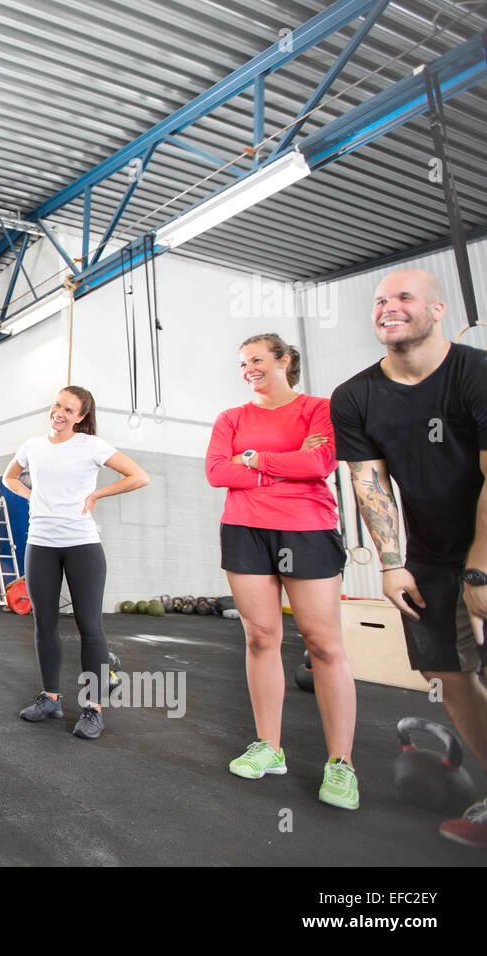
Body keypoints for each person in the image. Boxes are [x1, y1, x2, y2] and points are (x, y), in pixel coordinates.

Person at [331, 268, 487, 845]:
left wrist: (479, 569)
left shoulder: (477, 373)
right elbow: (371, 485)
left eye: (402, 298)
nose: (387, 307)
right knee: (445, 672)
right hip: (427, 555)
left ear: (438, 309)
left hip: (486, 545)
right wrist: (393, 562)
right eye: (379, 300)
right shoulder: (355, 397)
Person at [205, 333, 358, 810]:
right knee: (260, 638)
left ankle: (341, 763)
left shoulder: (319, 407)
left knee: (324, 644)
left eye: (257, 359)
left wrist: (252, 460)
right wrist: (281, 466)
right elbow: (216, 472)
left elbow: (319, 463)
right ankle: (269, 747)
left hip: (307, 529)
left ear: (285, 360)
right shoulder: (231, 417)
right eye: (242, 361)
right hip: (244, 530)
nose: (248, 367)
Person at [1, 387, 148, 740]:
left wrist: (97, 494)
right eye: (57, 405)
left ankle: (93, 708)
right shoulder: (32, 446)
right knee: (44, 623)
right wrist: (31, 494)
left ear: (80, 417)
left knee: (89, 626)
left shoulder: (91, 446)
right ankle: (50, 698)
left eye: (69, 410)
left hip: (82, 545)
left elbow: (138, 476)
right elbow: (8, 477)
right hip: (41, 545)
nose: (59, 413)